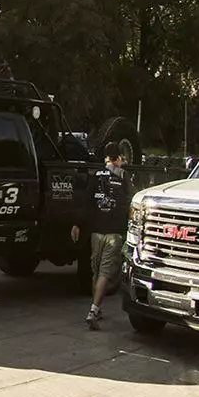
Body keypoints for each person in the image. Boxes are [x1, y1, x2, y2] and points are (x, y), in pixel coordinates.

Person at [74, 141, 131, 330]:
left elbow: (86, 204)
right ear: (118, 158)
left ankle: (96, 307)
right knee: (106, 273)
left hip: (96, 234)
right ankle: (94, 309)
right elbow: (130, 204)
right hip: (113, 234)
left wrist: (77, 225)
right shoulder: (124, 178)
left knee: (97, 272)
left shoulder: (95, 175)